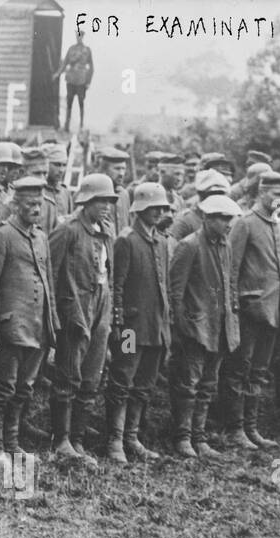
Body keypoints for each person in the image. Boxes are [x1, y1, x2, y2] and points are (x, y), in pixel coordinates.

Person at [0, 174, 56, 463]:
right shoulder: (1, 235)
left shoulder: (41, 237)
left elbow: (47, 281)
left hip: (36, 326)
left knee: (24, 388)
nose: (36, 209)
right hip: (11, 326)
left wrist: (52, 324)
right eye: (30, 204)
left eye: (40, 204)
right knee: (3, 387)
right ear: (15, 205)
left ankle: (12, 443)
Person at [220, 170, 280, 450]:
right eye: (276, 194)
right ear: (262, 192)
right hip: (249, 310)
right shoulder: (245, 223)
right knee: (240, 369)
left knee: (259, 372)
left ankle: (251, 427)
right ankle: (235, 428)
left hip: (273, 310)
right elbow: (231, 270)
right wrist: (234, 309)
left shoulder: (277, 224)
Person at [48, 174, 115, 465]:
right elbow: (50, 272)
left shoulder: (106, 232)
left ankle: (78, 438)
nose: (106, 207)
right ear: (86, 201)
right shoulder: (68, 230)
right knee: (68, 376)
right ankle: (61, 439)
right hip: (74, 310)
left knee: (92, 376)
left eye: (110, 201)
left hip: (101, 308)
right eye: (100, 200)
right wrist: (57, 315)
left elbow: (107, 274)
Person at [168, 193, 241, 458]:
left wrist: (232, 315)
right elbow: (175, 292)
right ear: (208, 219)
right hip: (196, 328)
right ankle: (183, 437)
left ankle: (199, 437)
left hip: (220, 326)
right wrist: (182, 325)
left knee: (209, 384)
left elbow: (230, 283)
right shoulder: (189, 245)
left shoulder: (226, 246)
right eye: (222, 218)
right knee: (189, 384)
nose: (227, 224)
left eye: (230, 218)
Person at [104, 182, 170, 465]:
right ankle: (115, 439)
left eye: (161, 207)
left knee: (145, 384)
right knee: (123, 379)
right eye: (152, 207)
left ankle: (132, 436)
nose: (158, 212)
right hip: (131, 327)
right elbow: (116, 284)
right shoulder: (127, 240)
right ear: (139, 209)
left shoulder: (162, 242)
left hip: (155, 326)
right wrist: (118, 322)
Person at [56, 28, 94, 132]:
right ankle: (66, 125)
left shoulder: (87, 50)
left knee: (81, 103)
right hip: (71, 79)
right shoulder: (71, 49)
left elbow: (91, 67)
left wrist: (88, 82)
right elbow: (65, 63)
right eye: (77, 36)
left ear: (83, 37)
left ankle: (81, 125)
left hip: (82, 80)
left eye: (80, 36)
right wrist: (58, 74)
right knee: (69, 103)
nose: (79, 38)